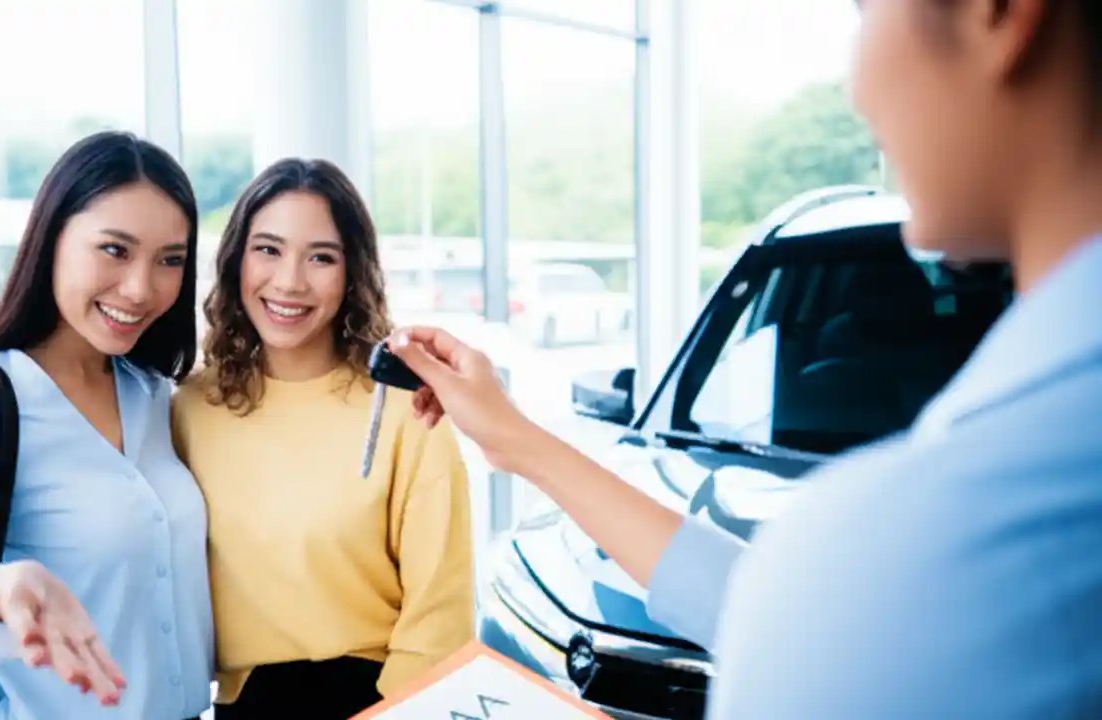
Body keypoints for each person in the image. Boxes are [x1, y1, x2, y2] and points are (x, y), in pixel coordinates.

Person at [389, 0, 1102, 717]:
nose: (856, 88)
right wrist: (514, 439)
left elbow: (813, 617)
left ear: (996, 13)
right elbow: (777, 604)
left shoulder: (940, 543)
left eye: (866, 9)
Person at [0, 131, 214, 720]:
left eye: (170, 260)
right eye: (114, 249)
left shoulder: (151, 393)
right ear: (52, 238)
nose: (141, 289)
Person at [171, 158, 474, 719]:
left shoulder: (408, 408)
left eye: (321, 257)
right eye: (268, 249)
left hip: (375, 700)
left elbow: (441, 612)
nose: (290, 281)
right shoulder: (190, 408)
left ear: (353, 272)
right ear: (236, 260)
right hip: (244, 706)